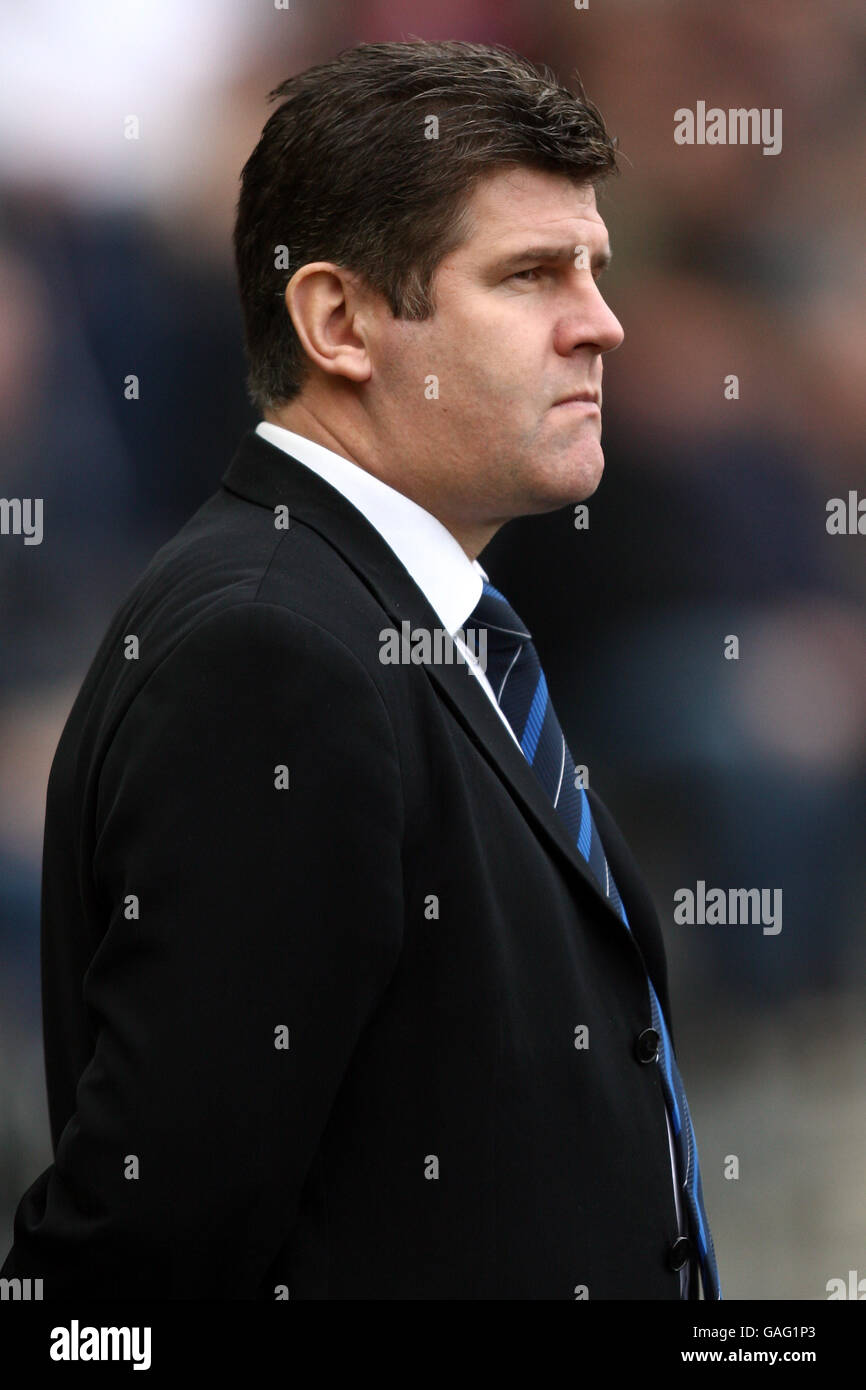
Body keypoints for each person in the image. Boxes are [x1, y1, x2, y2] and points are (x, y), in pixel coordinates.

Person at [2, 39, 720, 1300]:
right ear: (338, 320)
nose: (601, 323)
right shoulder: (268, 654)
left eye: (593, 270)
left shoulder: (408, 615)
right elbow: (134, 1263)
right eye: (531, 274)